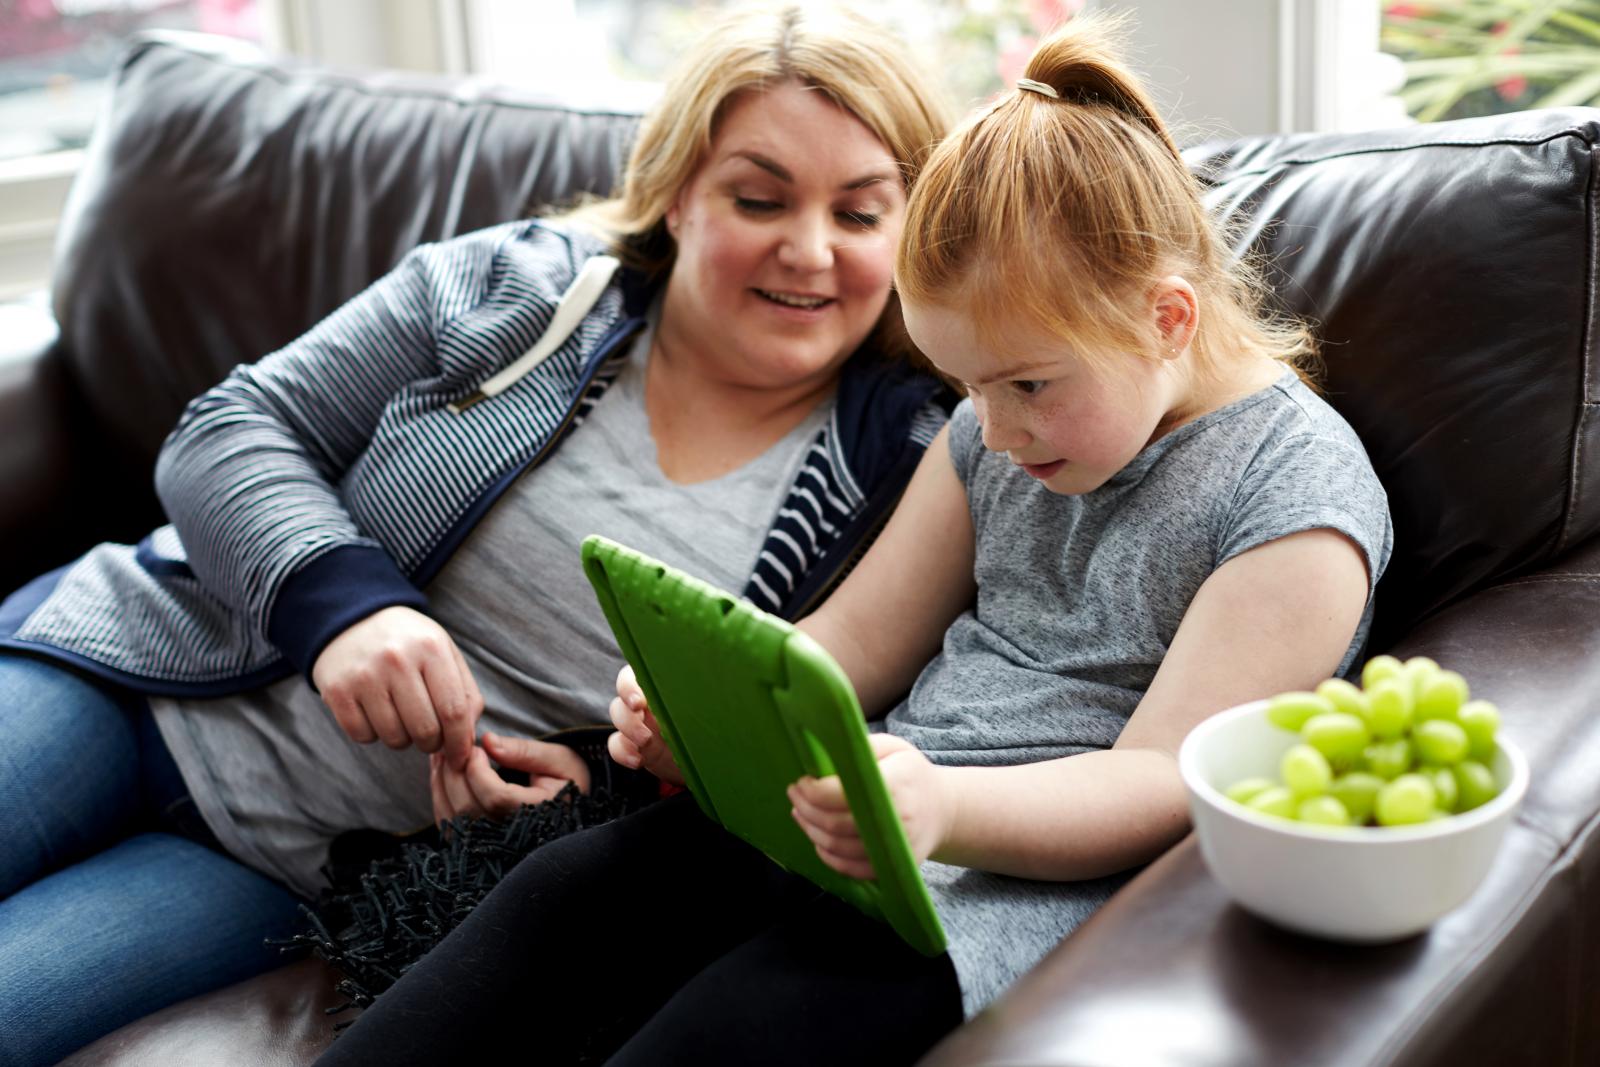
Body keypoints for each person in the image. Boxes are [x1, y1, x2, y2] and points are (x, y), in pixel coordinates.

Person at [309, 16, 1395, 1067]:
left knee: (735, 1025)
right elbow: (855, 642)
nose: (992, 431)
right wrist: (711, 708)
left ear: (1168, 317)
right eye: (967, 384)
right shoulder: (997, 429)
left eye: (1026, 385)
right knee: (559, 897)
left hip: (1009, 900)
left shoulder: (1293, 494)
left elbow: (1163, 780)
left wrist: (944, 807)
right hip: (871, 817)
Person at [0, 6, 954, 1063]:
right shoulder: (526, 283)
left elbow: (794, 741)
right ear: (680, 193)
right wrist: (345, 609)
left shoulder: (914, 469)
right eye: (759, 197)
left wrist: (591, 784)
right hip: (132, 676)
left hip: (283, 858)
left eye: (860, 213)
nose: (808, 249)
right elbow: (229, 429)